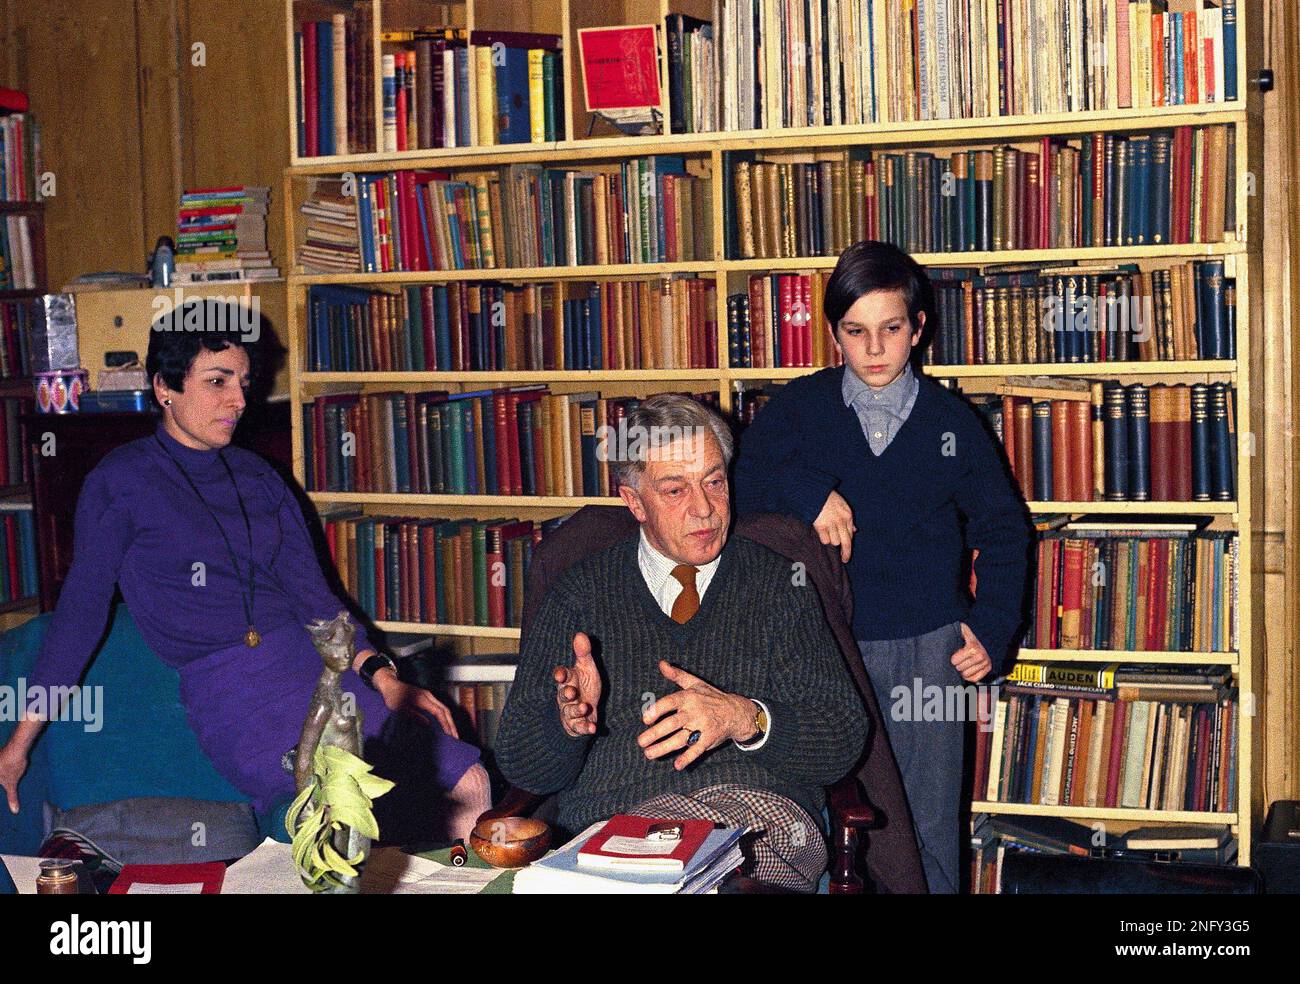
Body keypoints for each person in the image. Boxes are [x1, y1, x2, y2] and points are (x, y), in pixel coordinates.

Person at [0, 298, 490, 844]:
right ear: (164, 386)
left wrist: (385, 679)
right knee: (356, 815)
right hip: (237, 698)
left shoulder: (260, 478)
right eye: (217, 381)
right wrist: (20, 743)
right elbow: (79, 619)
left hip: (323, 673)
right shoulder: (120, 482)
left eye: (243, 381)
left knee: (469, 783)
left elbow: (317, 602)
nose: (238, 400)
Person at [733, 241, 1031, 893]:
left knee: (924, 825)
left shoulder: (952, 423)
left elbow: (1005, 527)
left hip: (928, 646)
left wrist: (995, 622)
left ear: (918, 328)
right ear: (834, 332)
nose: (874, 350)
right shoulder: (798, 411)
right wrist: (806, 492)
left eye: (891, 329)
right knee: (815, 816)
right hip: (820, 644)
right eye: (855, 332)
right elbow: (738, 483)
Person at [495, 394, 868, 892]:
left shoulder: (781, 585)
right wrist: (566, 726)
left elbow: (842, 738)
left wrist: (745, 718)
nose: (705, 508)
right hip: (619, 841)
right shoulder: (579, 594)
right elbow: (522, 764)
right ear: (634, 503)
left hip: (755, 836)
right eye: (675, 490)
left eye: (714, 481)